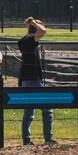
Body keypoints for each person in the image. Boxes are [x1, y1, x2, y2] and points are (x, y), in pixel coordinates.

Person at [18, 17, 56, 145]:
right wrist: (33, 22)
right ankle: (48, 139)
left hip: (29, 78)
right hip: (32, 79)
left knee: (29, 110)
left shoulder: (24, 40)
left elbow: (41, 31)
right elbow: (43, 31)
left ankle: (27, 140)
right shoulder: (29, 40)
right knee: (47, 109)